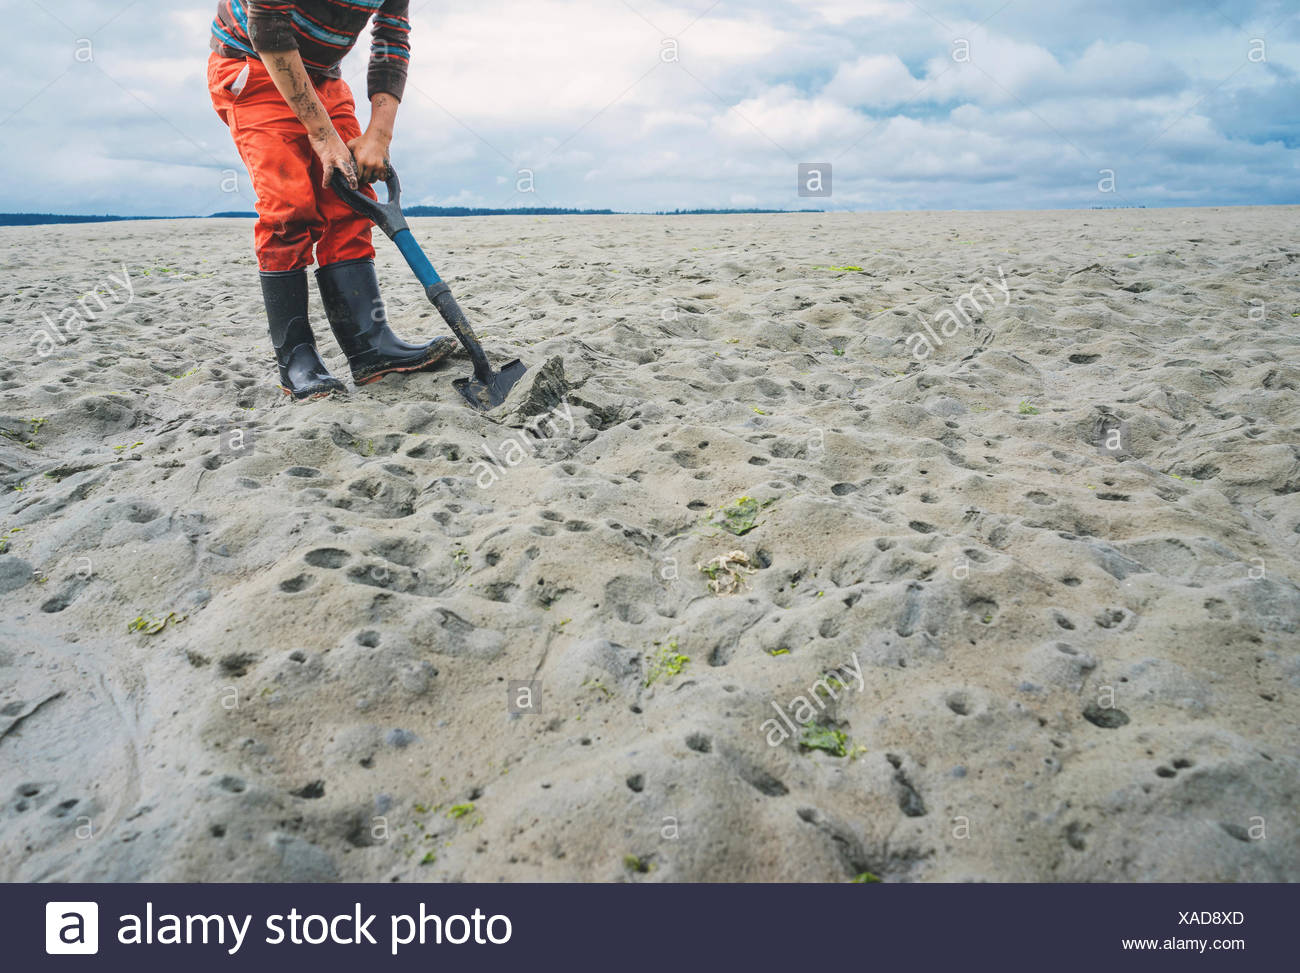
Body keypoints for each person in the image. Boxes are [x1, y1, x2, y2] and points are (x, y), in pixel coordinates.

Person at [206, 1, 455, 399]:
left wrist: (379, 135)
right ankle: (297, 360)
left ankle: (370, 347)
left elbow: (391, 35)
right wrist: (323, 137)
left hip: (323, 76)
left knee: (352, 201)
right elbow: (268, 25)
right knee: (288, 208)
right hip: (254, 65)